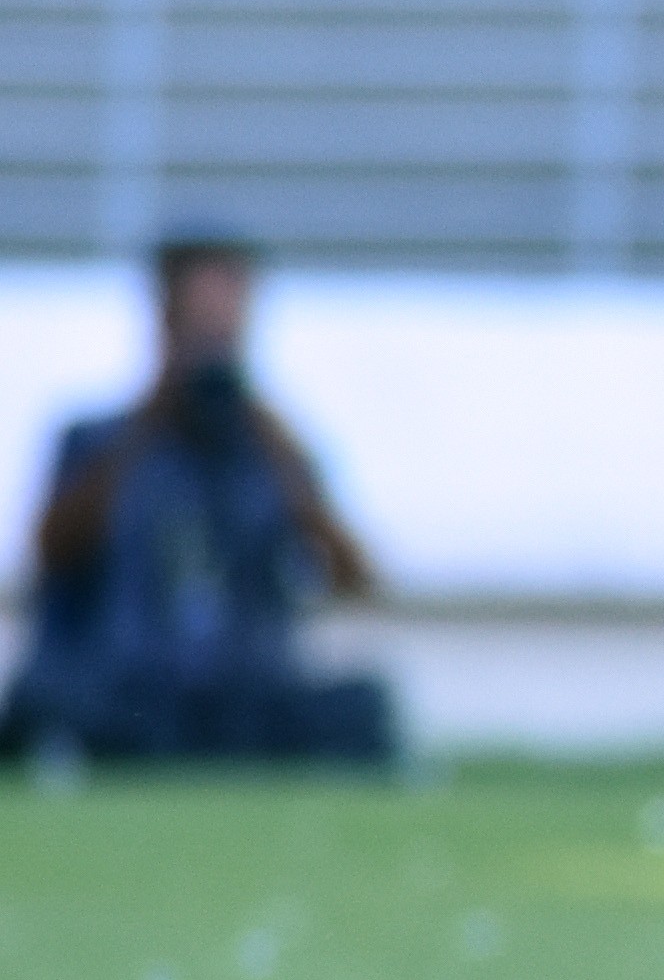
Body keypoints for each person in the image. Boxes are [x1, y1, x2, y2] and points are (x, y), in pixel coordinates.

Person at [6, 230, 395, 768]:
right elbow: (51, 554)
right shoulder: (101, 441)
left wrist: (277, 453)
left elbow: (356, 578)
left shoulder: (273, 451)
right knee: (43, 697)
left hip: (247, 694)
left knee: (364, 705)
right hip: (133, 691)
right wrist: (152, 416)